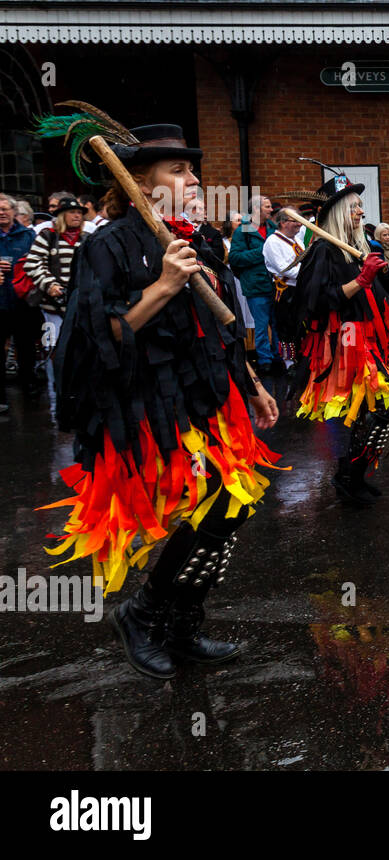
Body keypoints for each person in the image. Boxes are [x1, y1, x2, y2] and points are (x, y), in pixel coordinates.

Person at [39, 118, 281, 680]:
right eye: (179, 170)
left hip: (211, 401)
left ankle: (180, 624)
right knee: (214, 504)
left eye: (192, 168)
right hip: (151, 410)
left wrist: (253, 384)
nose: (194, 178)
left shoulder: (196, 241)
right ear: (140, 184)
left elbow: (219, 332)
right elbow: (93, 343)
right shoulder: (108, 244)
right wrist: (164, 285)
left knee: (232, 503)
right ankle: (145, 614)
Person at [290, 172, 389, 505]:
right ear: (336, 213)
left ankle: (352, 477)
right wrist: (360, 280)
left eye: (361, 205)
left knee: (372, 409)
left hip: (369, 338)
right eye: (354, 206)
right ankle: (349, 477)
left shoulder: (364, 247)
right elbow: (316, 303)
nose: (361, 211)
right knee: (380, 404)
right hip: (343, 343)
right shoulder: (323, 252)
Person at [22, 195, 87, 399]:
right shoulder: (47, 236)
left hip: (80, 307)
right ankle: (56, 397)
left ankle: (76, 394)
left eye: (79, 212)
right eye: (72, 212)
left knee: (80, 351)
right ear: (61, 216)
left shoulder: (87, 239)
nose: (77, 215)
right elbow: (32, 263)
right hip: (53, 310)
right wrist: (50, 284)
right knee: (54, 351)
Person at [228, 193, 280, 375]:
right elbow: (234, 258)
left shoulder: (274, 228)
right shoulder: (242, 231)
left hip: (277, 285)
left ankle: (280, 357)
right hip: (256, 286)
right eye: (267, 206)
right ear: (256, 209)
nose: (271, 210)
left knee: (278, 324)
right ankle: (265, 361)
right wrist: (263, 251)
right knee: (261, 325)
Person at [0, 191, 40, 408]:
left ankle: (30, 389)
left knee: (26, 348)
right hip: (0, 302)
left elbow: (38, 261)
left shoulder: (27, 235)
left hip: (22, 300)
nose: (2, 213)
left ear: (14, 211)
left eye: (5, 209)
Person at [262, 206, 308, 370]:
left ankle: (303, 358)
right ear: (282, 223)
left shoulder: (298, 241)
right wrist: (309, 272)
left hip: (301, 289)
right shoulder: (273, 242)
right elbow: (285, 269)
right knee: (286, 326)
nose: (299, 224)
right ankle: (289, 363)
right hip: (285, 290)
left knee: (302, 325)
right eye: (295, 220)